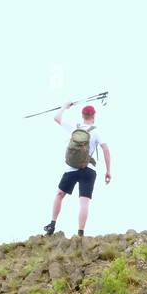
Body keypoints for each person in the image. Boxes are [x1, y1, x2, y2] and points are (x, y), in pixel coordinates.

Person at [44, 102, 112, 238]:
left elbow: (56, 118)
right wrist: (108, 171)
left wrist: (64, 106)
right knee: (84, 202)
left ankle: (52, 224)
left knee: (59, 195)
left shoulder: (75, 128)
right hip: (89, 169)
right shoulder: (97, 131)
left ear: (82, 116)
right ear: (94, 116)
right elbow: (105, 149)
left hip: (72, 168)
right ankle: (80, 233)